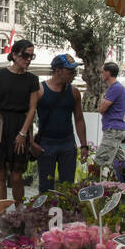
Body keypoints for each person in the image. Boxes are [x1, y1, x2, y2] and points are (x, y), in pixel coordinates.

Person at [0, 39, 40, 204]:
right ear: (14, 55)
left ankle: (19, 214)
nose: (28, 59)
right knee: (0, 173)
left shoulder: (32, 79)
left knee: (17, 175)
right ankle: (1, 215)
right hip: (0, 126)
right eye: (25, 55)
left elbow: (32, 109)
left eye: (31, 56)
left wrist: (23, 133)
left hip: (20, 126)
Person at [35, 54, 90, 192]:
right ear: (58, 71)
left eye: (74, 71)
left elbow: (79, 119)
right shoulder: (40, 90)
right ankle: (44, 212)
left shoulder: (74, 92)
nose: (74, 74)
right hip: (46, 143)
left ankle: (66, 212)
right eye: (70, 71)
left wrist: (83, 145)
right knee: (45, 186)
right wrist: (31, 142)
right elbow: (28, 116)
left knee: (68, 185)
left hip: (67, 143)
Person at [95, 61, 125, 168]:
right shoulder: (116, 88)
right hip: (115, 128)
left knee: (101, 160)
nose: (101, 74)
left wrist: (102, 104)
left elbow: (102, 108)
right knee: (120, 163)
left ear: (108, 73)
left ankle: (98, 183)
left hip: (113, 129)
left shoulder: (115, 88)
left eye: (102, 72)